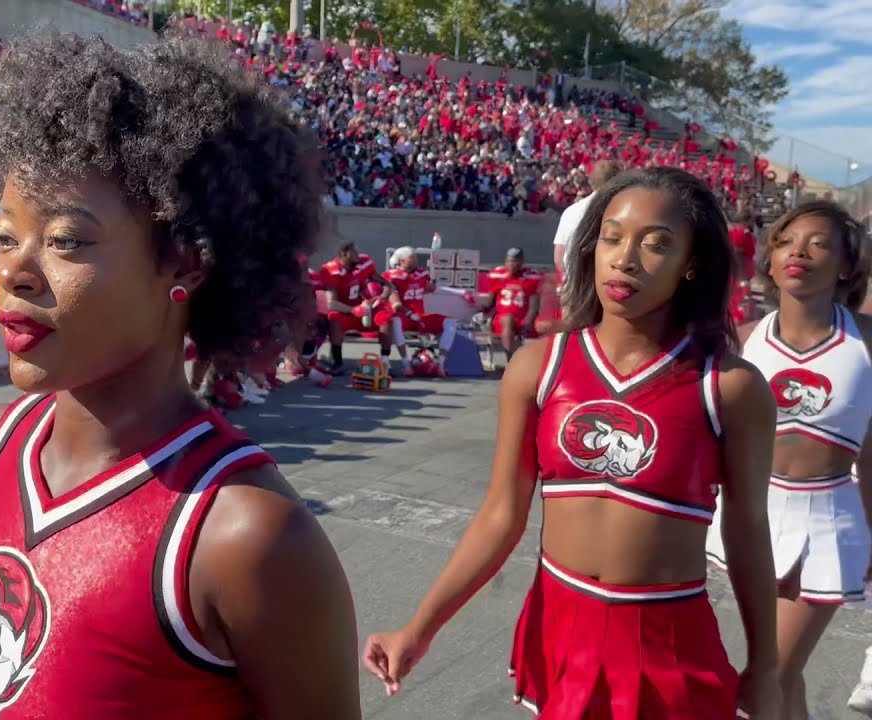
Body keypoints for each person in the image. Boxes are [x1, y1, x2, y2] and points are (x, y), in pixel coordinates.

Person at [0, 32, 359, 720]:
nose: (15, 270)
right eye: (6, 236)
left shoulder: (244, 537)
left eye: (67, 240)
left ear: (186, 263)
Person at [363, 167, 783, 719]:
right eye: (611, 237)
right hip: (560, 623)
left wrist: (766, 665)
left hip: (668, 634)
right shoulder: (538, 366)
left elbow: (748, 530)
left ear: (692, 265)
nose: (625, 258)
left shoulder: (730, 386)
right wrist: (419, 629)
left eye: (656, 244)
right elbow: (499, 516)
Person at [707, 200, 872, 720]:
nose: (798, 251)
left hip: (827, 521)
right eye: (784, 242)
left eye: (819, 243)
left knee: (768, 675)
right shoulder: (743, 336)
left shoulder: (865, 342)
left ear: (846, 266)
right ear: (771, 261)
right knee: (783, 677)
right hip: (753, 518)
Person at [318, 240, 400, 373]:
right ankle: (337, 362)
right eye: (354, 251)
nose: (358, 254)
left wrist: (383, 296)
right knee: (334, 319)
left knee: (386, 319)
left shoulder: (364, 262)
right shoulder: (330, 270)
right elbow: (331, 303)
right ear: (344, 254)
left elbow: (387, 284)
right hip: (345, 311)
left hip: (365, 310)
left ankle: (385, 363)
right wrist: (352, 310)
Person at [375, 246, 455, 375]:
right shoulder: (391, 276)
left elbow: (433, 289)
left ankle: (440, 364)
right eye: (412, 257)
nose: (416, 259)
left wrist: (462, 293)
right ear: (401, 260)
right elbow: (396, 304)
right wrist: (410, 315)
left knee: (450, 322)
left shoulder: (421, 273)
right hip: (404, 316)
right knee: (395, 321)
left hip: (420, 315)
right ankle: (406, 364)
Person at [552, 160, 623, 289]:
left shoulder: (571, 211)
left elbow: (558, 256)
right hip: (604, 288)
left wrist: (571, 282)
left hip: (574, 284)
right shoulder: (619, 213)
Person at [485, 247, 543, 359]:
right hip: (501, 320)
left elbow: (534, 305)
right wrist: (481, 311)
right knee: (508, 319)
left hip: (522, 320)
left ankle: (517, 361)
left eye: (515, 261)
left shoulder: (530, 278)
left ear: (522, 262)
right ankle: (511, 358)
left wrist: (529, 321)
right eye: (509, 261)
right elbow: (490, 302)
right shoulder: (499, 276)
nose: (511, 264)